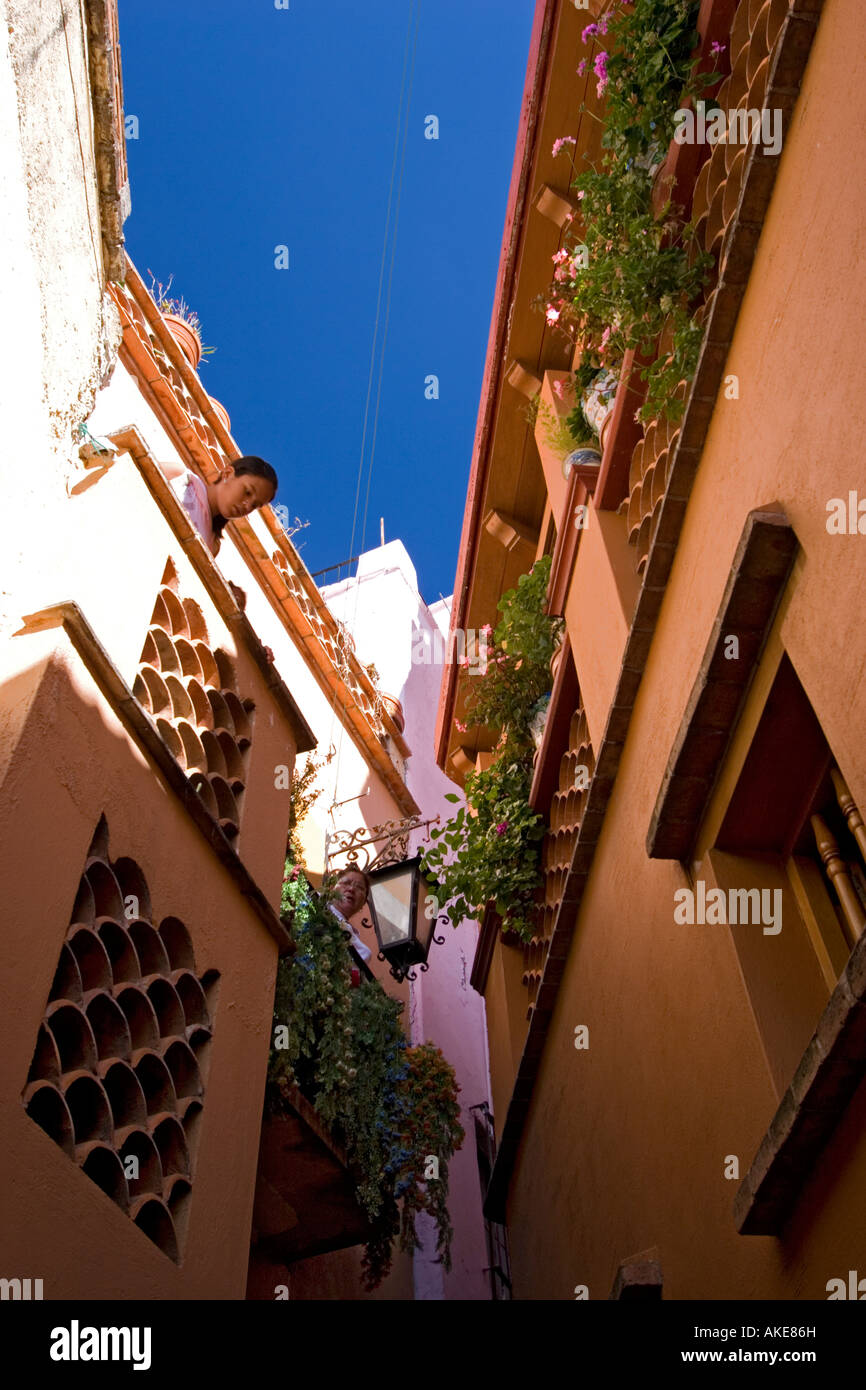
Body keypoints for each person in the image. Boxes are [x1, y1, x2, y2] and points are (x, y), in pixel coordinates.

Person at [162, 455, 278, 558]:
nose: (247, 506)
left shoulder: (212, 545)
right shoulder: (181, 478)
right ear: (227, 474)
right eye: (247, 492)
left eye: (254, 505)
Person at [328, 866, 373, 963]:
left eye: (359, 887)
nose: (351, 889)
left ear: (363, 903)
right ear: (332, 888)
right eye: (346, 883)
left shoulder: (362, 950)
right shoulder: (315, 902)